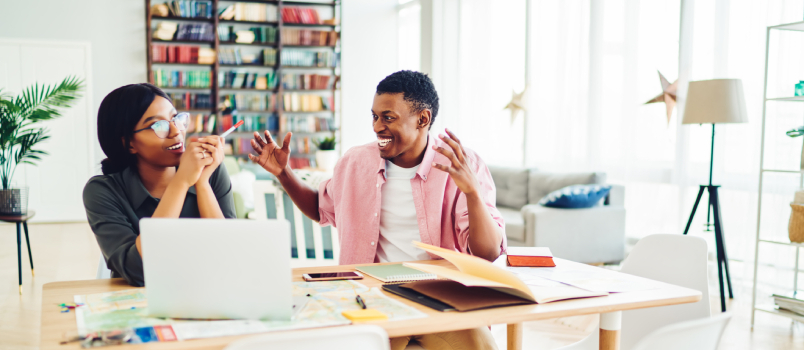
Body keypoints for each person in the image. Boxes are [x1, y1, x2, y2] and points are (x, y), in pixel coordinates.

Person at [249, 70, 505, 350]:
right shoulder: (356, 161)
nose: (377, 126)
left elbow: (488, 252)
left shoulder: (461, 164)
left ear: (423, 119)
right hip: (370, 297)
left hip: (442, 298)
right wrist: (284, 173)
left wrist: (472, 193)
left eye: (388, 117)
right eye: (374, 116)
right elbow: (321, 207)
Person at [83, 83, 235, 287]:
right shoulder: (103, 191)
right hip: (138, 304)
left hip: (208, 292)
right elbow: (139, 272)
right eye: (158, 125)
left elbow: (229, 255)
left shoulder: (211, 171)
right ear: (129, 143)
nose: (176, 131)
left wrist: (202, 184)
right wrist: (181, 182)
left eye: (176, 118)